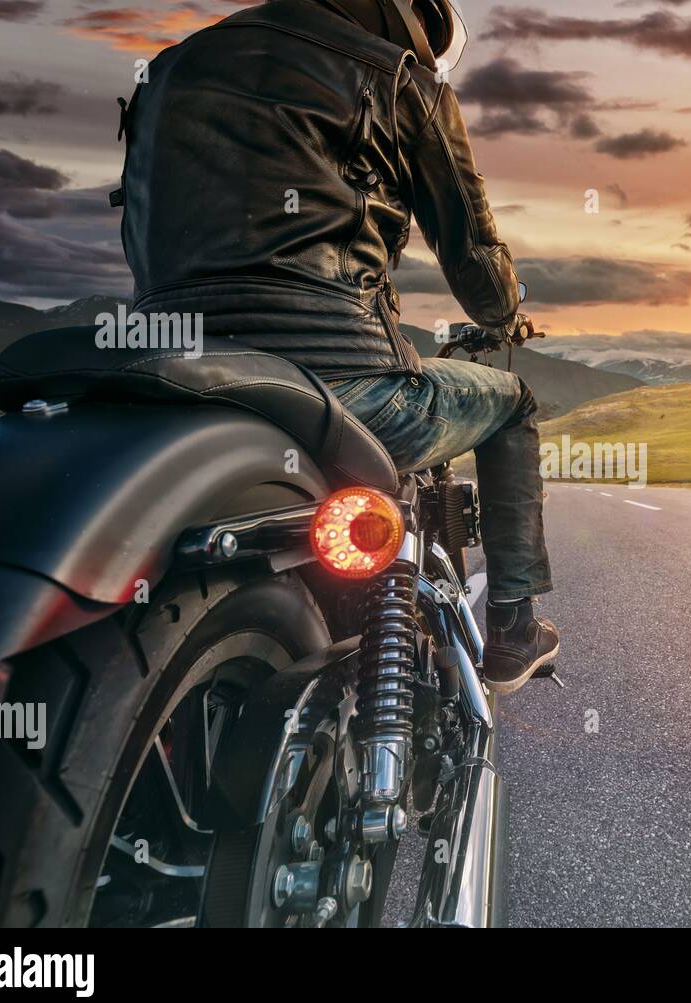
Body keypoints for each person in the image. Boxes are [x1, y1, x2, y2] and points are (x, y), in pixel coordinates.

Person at [117, 0, 558, 692]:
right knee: (514, 403)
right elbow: (477, 267)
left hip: (173, 376)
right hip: (340, 387)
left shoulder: (168, 72)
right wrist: (506, 312)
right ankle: (512, 627)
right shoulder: (400, 80)